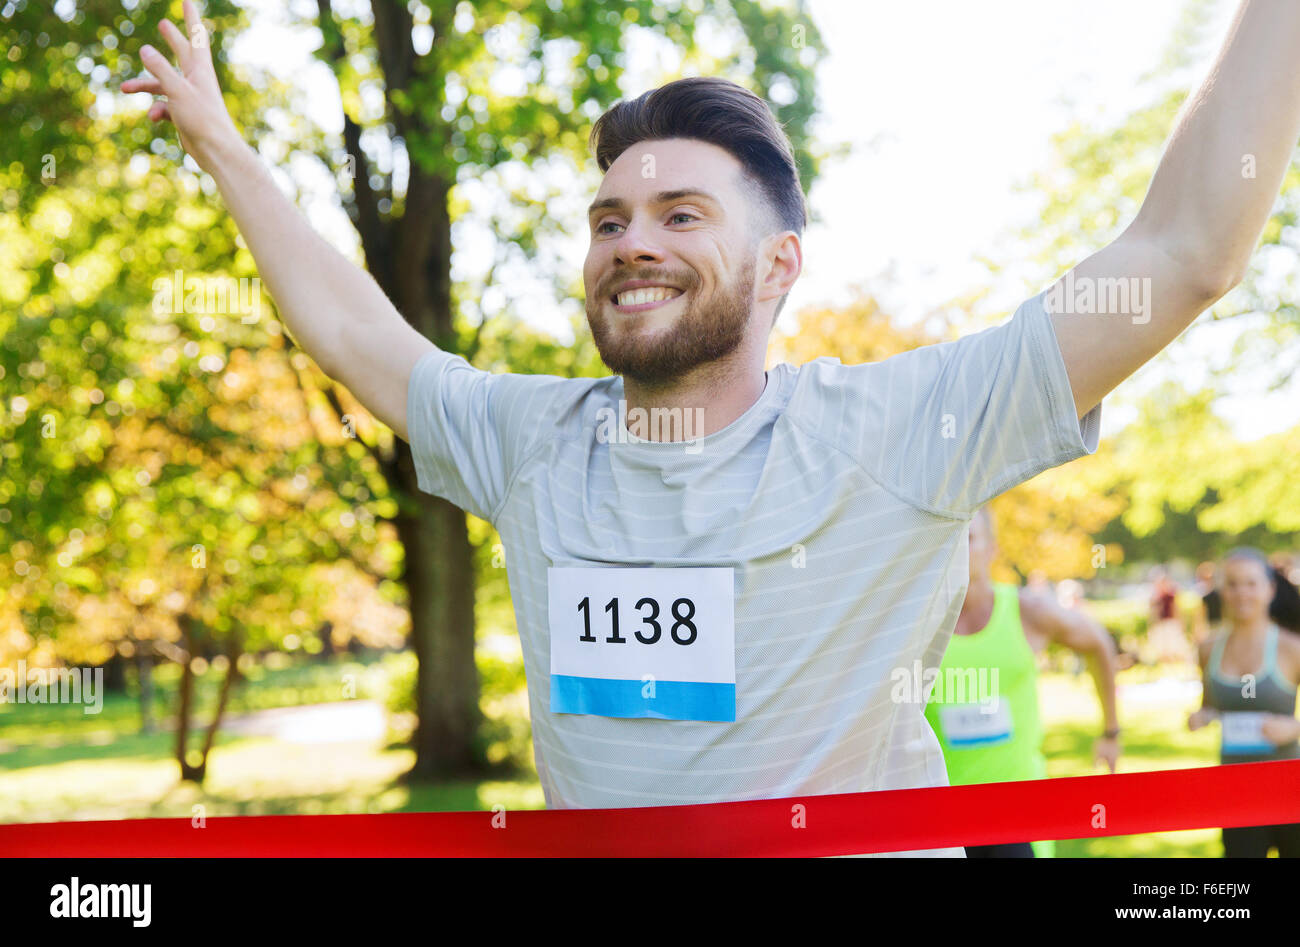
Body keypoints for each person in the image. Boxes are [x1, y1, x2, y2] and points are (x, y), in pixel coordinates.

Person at [122, 1, 1300, 856]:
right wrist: (223, 145)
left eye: (681, 213)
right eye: (608, 218)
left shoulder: (902, 427)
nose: (631, 241)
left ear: (781, 262)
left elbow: (1183, 250)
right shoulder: (530, 444)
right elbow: (350, 325)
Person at [924, 506, 1121, 858]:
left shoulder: (1026, 611)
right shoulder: (916, 625)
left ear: (992, 548)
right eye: (947, 539)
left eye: (968, 538)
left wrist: (1110, 732)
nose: (957, 550)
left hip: (1020, 817)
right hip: (939, 818)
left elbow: (1098, 643)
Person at [1188, 548, 1300, 857]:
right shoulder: (1208, 648)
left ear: (1270, 589)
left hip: (1290, 792)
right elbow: (1210, 703)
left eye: (1251, 583)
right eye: (1232, 584)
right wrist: (1201, 715)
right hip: (1235, 794)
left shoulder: (1292, 648)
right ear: (1221, 589)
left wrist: (1294, 728)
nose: (1241, 593)